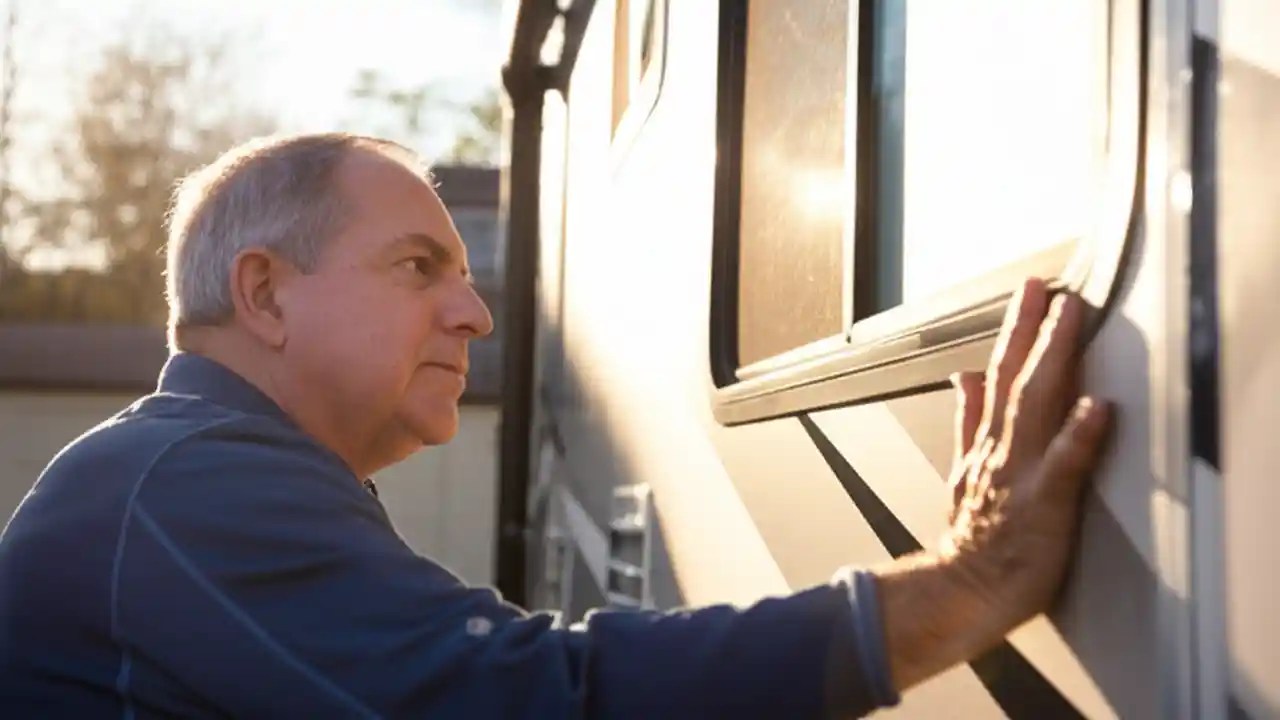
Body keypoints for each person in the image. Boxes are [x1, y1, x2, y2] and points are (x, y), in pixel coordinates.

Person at [0, 133, 1111, 718]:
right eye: (417, 266)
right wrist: (962, 584)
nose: (474, 311)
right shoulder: (189, 484)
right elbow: (526, 702)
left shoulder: (187, 474)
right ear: (266, 294)